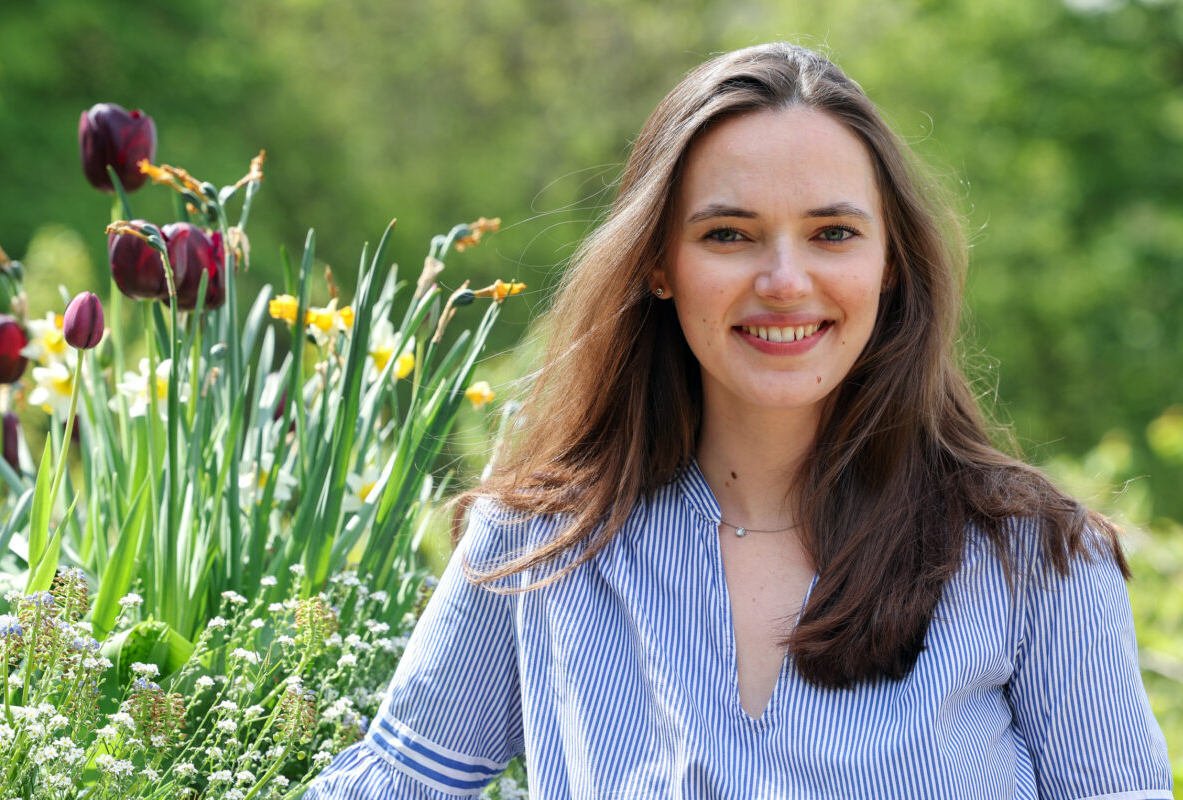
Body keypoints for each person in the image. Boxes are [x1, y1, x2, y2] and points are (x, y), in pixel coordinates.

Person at [307, 42, 1172, 799]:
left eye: (833, 233)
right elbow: (396, 783)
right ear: (657, 263)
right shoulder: (540, 542)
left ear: (893, 264)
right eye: (730, 235)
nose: (786, 280)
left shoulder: (1037, 558)